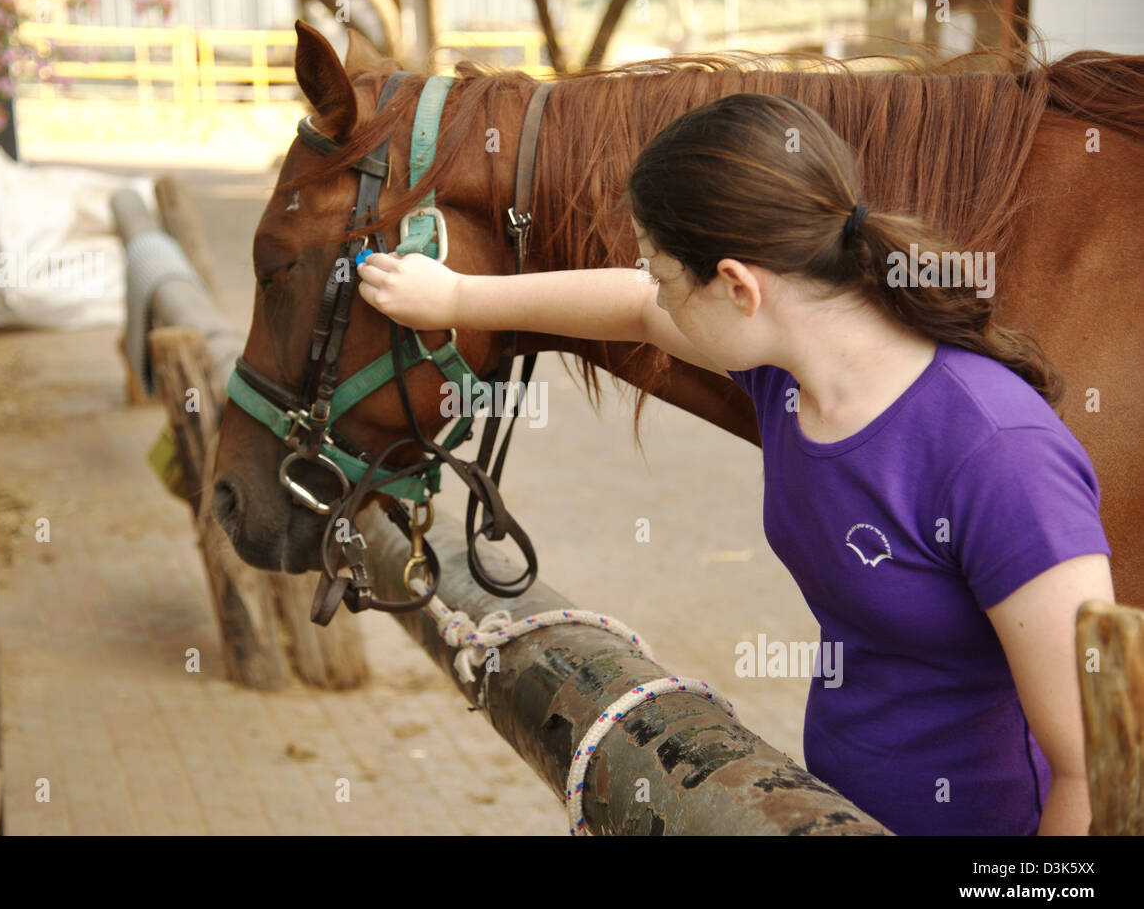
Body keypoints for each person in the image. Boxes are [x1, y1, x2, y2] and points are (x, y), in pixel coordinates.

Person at [354, 92, 1113, 836]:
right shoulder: (786, 375)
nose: (655, 292)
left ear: (739, 286)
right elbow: (629, 307)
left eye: (664, 273)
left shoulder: (998, 452)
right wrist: (455, 294)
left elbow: (1090, 764)